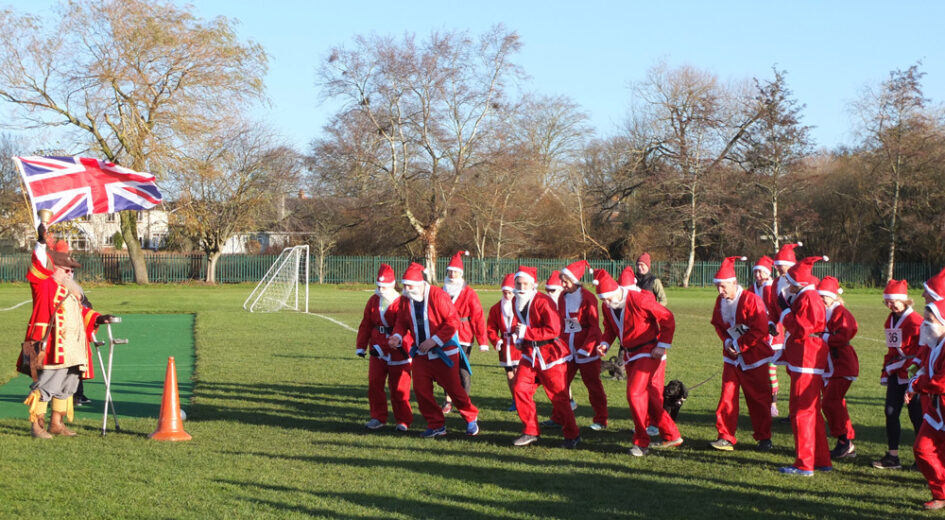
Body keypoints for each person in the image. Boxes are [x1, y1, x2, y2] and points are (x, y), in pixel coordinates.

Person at [18, 224, 113, 438]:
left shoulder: (72, 292)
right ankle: (37, 426)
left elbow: (81, 313)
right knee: (46, 384)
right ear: (53, 269)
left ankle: (57, 423)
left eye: (72, 270)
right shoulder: (44, 285)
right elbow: (38, 264)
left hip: (72, 349)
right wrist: (41, 242)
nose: (70, 273)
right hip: (49, 346)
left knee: (68, 384)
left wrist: (98, 318)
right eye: (66, 270)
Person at [595, 268, 682, 457]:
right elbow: (610, 328)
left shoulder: (639, 299)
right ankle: (672, 434)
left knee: (635, 393)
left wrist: (662, 345)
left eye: (608, 298)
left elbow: (667, 317)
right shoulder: (607, 306)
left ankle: (641, 442)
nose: (607, 303)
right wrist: (604, 343)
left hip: (648, 352)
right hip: (630, 354)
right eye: (603, 300)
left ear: (617, 291)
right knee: (649, 397)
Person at [388, 262, 479, 438]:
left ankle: (470, 417)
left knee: (454, 389)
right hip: (421, 353)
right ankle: (436, 424)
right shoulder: (406, 299)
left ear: (419, 284)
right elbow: (401, 322)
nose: (406, 289)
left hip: (444, 352)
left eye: (409, 285)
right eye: (404, 285)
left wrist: (435, 340)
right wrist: (397, 336)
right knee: (421, 391)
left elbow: (452, 321)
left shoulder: (438, 295)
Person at [509, 265, 581, 449]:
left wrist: (526, 333)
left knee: (559, 397)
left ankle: (572, 434)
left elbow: (554, 330)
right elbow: (520, 324)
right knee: (519, 388)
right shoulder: (515, 300)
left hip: (551, 356)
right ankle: (530, 430)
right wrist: (519, 338)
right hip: (530, 354)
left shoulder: (543, 301)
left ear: (533, 284)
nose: (521, 287)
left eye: (525, 284)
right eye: (518, 283)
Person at [708, 256, 775, 452]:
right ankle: (725, 436)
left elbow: (760, 329)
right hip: (731, 358)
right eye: (717, 287)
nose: (720, 291)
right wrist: (727, 342)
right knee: (727, 396)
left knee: (759, 398)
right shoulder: (720, 301)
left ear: (733, 283)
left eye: (723, 286)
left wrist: (739, 345)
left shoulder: (751, 300)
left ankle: (764, 437)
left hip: (754, 358)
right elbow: (718, 324)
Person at [777, 255, 831, 476]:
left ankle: (804, 464)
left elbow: (801, 329)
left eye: (790, 281)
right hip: (808, 356)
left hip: (806, 358)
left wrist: (785, 312)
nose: (788, 284)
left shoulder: (808, 297)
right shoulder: (809, 296)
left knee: (801, 412)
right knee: (812, 411)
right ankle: (821, 459)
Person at [873, 279, 924, 470]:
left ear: (904, 300)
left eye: (893, 301)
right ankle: (892, 456)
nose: (889, 305)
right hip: (896, 371)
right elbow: (892, 349)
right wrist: (885, 370)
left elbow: (923, 352)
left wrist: (911, 370)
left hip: (913, 373)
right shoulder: (891, 319)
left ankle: (922, 457)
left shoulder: (916, 321)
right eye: (887, 301)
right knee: (890, 412)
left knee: (917, 416)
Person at [356, 263, 413, 432]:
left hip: (399, 351)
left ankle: (403, 420)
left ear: (392, 285)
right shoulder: (373, 300)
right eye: (379, 286)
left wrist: (384, 348)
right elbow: (366, 323)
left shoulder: (402, 302)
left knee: (399, 388)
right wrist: (361, 346)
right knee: (375, 383)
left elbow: (402, 329)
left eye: (384, 286)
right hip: (377, 349)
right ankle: (378, 417)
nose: (381, 290)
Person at [552, 260, 607, 431]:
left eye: (565, 281)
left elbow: (594, 326)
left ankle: (601, 419)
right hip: (567, 347)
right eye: (562, 281)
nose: (562, 285)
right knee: (561, 383)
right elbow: (562, 321)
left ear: (574, 280)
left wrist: (587, 347)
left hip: (586, 347)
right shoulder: (562, 297)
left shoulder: (588, 298)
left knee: (593, 384)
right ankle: (559, 417)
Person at [816, 276, 859, 459]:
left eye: (823, 296)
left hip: (842, 364)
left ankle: (844, 441)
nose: (820, 299)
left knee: (829, 403)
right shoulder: (824, 310)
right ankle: (847, 442)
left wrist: (822, 337)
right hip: (830, 364)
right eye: (819, 296)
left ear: (832, 296)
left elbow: (844, 335)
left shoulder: (840, 312)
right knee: (836, 403)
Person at [440, 251, 488, 414]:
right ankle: (448, 401)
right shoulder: (441, 291)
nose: (452, 275)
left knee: (462, 369)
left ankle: (464, 401)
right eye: (450, 271)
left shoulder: (469, 293)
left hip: (464, 335)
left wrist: (482, 342)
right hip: (445, 334)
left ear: (461, 274)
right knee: (447, 368)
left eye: (455, 272)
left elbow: (478, 316)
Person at [910, 299, 945, 510]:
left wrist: (917, 384)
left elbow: (941, 382)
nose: (925, 324)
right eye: (925, 319)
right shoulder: (935, 344)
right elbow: (925, 368)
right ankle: (941, 493)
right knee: (922, 449)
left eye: (930, 320)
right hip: (936, 409)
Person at [486, 273, 521, 411]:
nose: (507, 295)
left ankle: (522, 399)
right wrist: (496, 340)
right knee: (509, 373)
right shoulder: (496, 308)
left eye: (510, 293)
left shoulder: (521, 306)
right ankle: (515, 399)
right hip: (505, 345)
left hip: (518, 344)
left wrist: (521, 333)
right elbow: (491, 328)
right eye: (504, 293)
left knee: (518, 373)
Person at [752, 255, 781, 418]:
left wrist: (771, 325)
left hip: (772, 334)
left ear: (767, 273)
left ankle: (773, 404)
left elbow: (776, 311)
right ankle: (763, 401)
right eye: (755, 272)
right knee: (759, 369)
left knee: (770, 369)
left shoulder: (770, 287)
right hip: (758, 333)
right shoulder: (753, 287)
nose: (757, 275)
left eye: (760, 272)